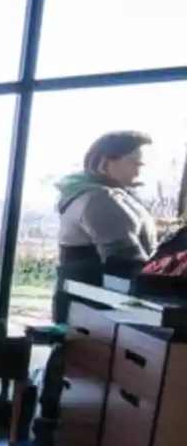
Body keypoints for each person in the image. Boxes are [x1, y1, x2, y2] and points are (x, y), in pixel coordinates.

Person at [53, 130, 157, 322]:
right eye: (134, 162)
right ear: (106, 162)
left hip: (86, 304)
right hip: (95, 309)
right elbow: (125, 261)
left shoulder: (91, 193)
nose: (139, 170)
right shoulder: (100, 198)